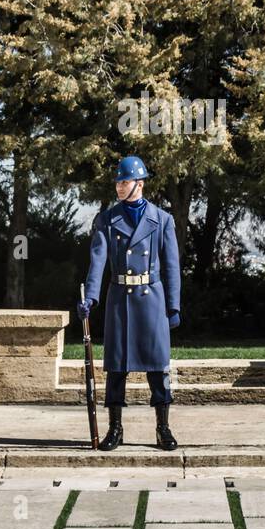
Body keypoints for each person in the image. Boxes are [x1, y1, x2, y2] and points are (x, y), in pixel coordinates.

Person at [77, 155, 181, 450]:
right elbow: (97, 262)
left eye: (124, 182)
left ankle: (163, 428)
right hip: (120, 300)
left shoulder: (162, 220)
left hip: (152, 301)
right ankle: (115, 429)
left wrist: (173, 307)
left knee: (158, 369)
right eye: (118, 182)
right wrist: (92, 298)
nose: (119, 187)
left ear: (140, 183)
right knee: (116, 369)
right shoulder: (107, 220)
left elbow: (172, 267)